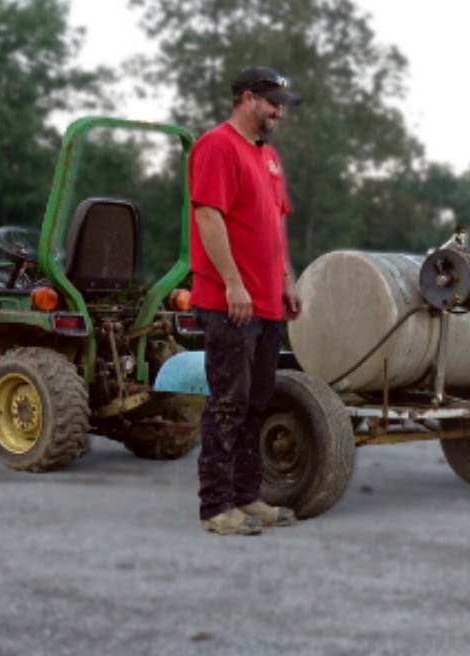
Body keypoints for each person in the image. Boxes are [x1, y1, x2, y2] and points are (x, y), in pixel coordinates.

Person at [188, 66, 304, 535]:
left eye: (282, 105)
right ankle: (216, 507)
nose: (279, 112)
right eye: (272, 103)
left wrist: (286, 279)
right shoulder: (216, 146)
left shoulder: (268, 157)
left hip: (267, 302)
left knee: (257, 403)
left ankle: (247, 496)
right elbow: (208, 216)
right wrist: (233, 282)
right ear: (247, 98)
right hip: (229, 302)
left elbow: (274, 223)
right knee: (228, 404)